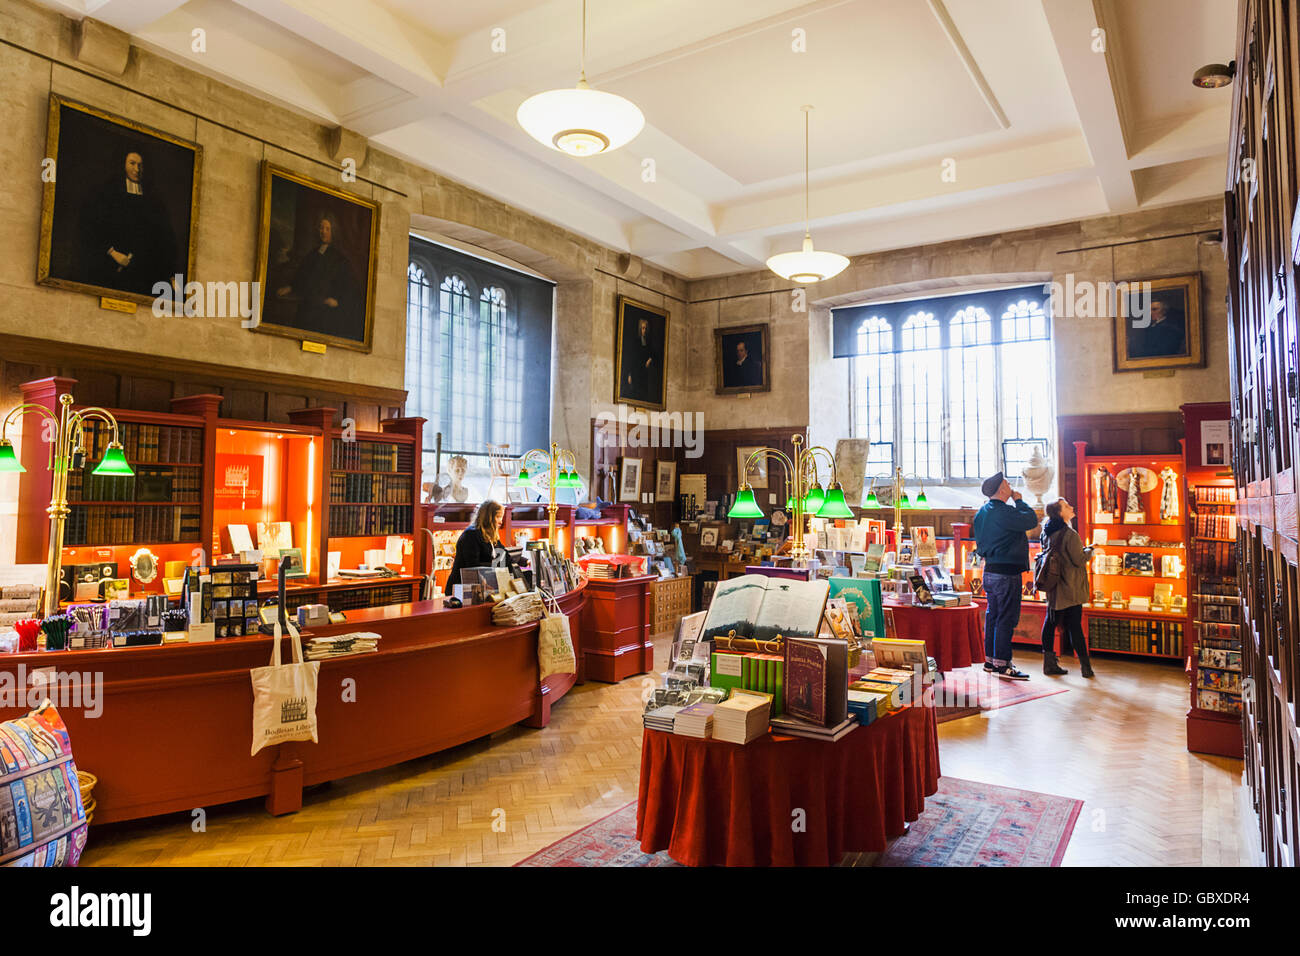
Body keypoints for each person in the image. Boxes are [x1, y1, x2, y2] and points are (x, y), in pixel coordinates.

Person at [972, 471, 1039, 680]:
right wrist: (1019, 500)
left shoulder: (981, 512)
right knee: (1006, 618)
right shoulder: (1004, 511)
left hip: (989, 571)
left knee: (993, 616)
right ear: (1002, 489)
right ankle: (1003, 665)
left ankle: (991, 661)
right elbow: (1031, 520)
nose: (1010, 486)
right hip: (1007, 573)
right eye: (1007, 483)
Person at [86, 148, 178, 295]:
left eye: (140, 165)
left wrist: (172, 274)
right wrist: (113, 253)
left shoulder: (153, 198)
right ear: (123, 164)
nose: (137, 169)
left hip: (145, 269)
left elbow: (165, 237)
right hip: (114, 264)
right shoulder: (108, 192)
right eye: (132, 163)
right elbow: (94, 227)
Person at [276, 211, 362, 339]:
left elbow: (348, 287)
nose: (323, 231)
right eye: (321, 228)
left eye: (327, 228)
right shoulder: (313, 254)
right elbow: (302, 275)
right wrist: (291, 287)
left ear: (334, 231)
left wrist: (336, 300)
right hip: (309, 305)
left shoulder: (340, 258)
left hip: (326, 310)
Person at [1038, 498, 1095, 678]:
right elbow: (1078, 559)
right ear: (1060, 513)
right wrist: (1091, 550)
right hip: (1071, 587)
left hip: (1054, 587)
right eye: (1067, 506)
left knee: (1050, 623)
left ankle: (1049, 664)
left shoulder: (1046, 531)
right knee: (1074, 626)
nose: (1072, 507)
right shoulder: (1070, 534)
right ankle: (1086, 668)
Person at [447, 500, 505, 596]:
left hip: (481, 588)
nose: (501, 521)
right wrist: (484, 583)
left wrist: (524, 561)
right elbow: (472, 566)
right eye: (498, 517)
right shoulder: (471, 534)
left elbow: (503, 553)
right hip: (461, 589)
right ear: (488, 517)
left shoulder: (491, 535)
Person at [621, 315, 661, 405]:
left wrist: (649, 360)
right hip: (635, 371)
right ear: (640, 329)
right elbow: (631, 359)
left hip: (644, 372)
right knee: (635, 392)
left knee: (643, 393)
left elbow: (654, 354)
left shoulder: (648, 342)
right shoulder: (635, 341)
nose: (644, 330)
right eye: (643, 328)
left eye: (646, 328)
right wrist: (629, 374)